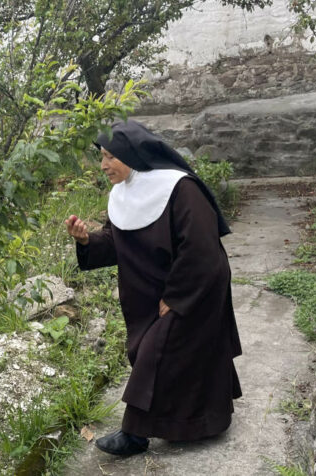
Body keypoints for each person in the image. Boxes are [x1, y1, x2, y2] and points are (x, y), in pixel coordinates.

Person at [65, 119, 242, 457]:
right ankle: (201, 419)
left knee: (155, 354)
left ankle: (135, 433)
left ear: (131, 154)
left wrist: (176, 297)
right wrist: (88, 239)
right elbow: (119, 241)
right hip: (156, 294)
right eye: (101, 157)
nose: (103, 165)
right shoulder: (123, 193)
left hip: (195, 288)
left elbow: (202, 251)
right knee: (182, 357)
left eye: (109, 157)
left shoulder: (181, 189)